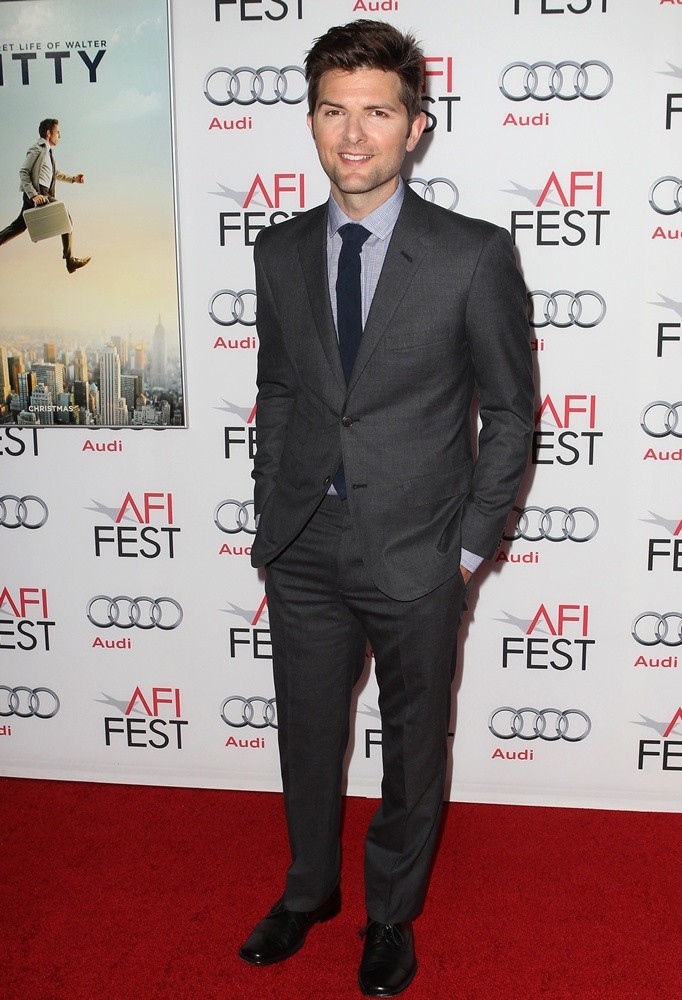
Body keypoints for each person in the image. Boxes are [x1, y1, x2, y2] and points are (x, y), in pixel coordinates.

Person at [239, 19, 534, 997]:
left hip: (419, 552)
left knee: (413, 746)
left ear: (416, 127)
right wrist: (271, 515)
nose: (352, 134)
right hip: (305, 544)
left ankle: (388, 915)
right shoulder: (279, 251)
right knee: (306, 730)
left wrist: (464, 552)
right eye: (333, 110)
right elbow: (280, 390)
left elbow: (509, 413)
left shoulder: (471, 255)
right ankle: (308, 889)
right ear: (312, 121)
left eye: (377, 112)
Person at [0, 118, 91, 273]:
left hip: (40, 193)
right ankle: (70, 261)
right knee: (65, 219)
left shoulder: (48, 152)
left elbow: (54, 174)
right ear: (49, 133)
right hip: (40, 193)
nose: (59, 136)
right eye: (57, 132)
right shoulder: (37, 149)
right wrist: (34, 195)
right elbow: (23, 172)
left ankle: (70, 261)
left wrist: (73, 179)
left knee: (18, 226)